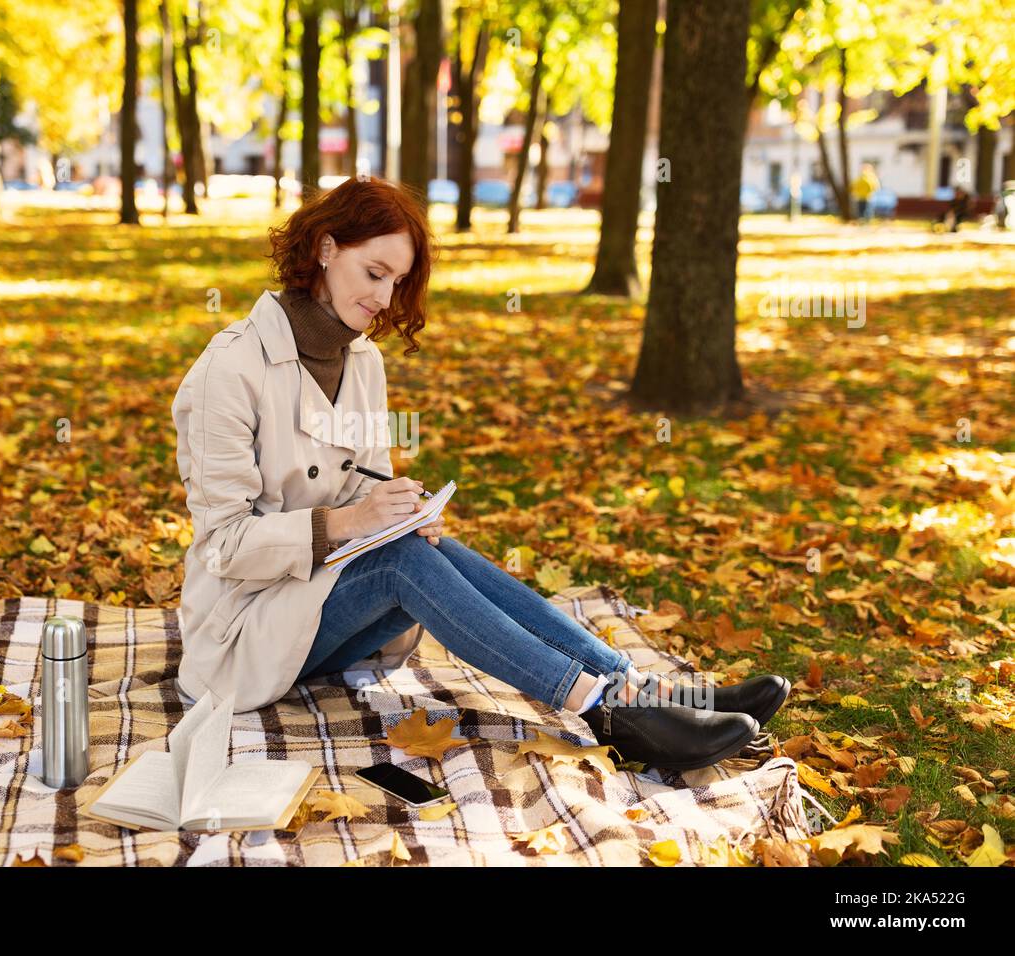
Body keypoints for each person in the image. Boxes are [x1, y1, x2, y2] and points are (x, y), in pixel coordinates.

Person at [169, 176, 790, 771]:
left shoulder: (361, 360)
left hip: (318, 615)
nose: (385, 299)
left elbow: (362, 481)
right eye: (374, 273)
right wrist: (352, 522)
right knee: (400, 561)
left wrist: (397, 511)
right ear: (326, 249)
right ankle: (600, 711)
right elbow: (223, 544)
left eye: (398, 280)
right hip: (243, 634)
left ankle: (638, 690)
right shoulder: (232, 368)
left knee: (417, 547)